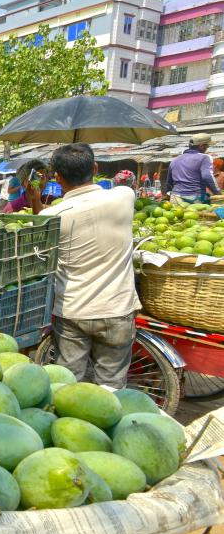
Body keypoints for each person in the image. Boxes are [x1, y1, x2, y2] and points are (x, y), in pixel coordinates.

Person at [26, 143, 140, 389]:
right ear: (95, 168)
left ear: (57, 177)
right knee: (111, 386)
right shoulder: (123, 197)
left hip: (73, 312)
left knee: (69, 385)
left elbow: (40, 230)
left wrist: (36, 199)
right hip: (116, 308)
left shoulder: (53, 216)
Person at [167, 133, 218, 204]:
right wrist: (217, 193)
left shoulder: (175, 160)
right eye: (207, 146)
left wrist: (169, 195)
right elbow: (207, 176)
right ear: (201, 146)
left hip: (176, 198)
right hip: (195, 198)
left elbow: (169, 183)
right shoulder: (204, 157)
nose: (207, 148)